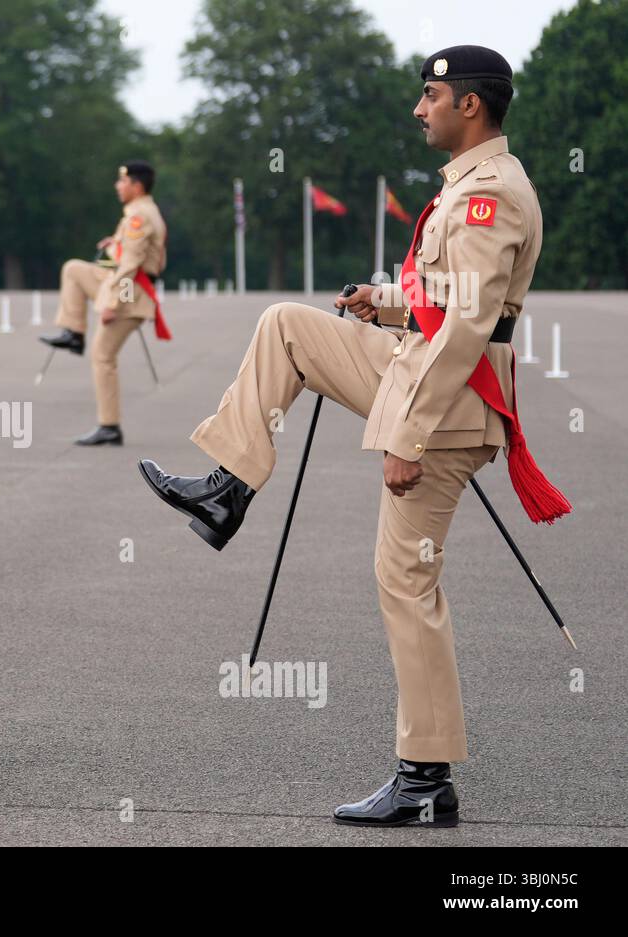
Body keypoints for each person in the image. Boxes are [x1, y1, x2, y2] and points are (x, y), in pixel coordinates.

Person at [137, 46, 569, 827]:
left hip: (447, 404)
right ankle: (228, 489)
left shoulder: (492, 194)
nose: (419, 107)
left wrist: (409, 432)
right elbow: (446, 302)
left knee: (407, 585)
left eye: (431, 94)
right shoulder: (469, 186)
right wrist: (388, 301)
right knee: (288, 328)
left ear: (469, 105)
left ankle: (424, 779)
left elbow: (470, 326)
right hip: (419, 368)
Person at [39, 161, 170, 446]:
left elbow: (132, 265)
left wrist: (112, 303)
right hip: (122, 285)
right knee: (73, 269)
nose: (117, 186)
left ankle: (109, 426)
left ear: (136, 186)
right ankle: (73, 334)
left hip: (129, 294)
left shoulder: (139, 216)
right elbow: (129, 255)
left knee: (102, 357)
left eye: (122, 182)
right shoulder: (139, 213)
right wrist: (114, 244)